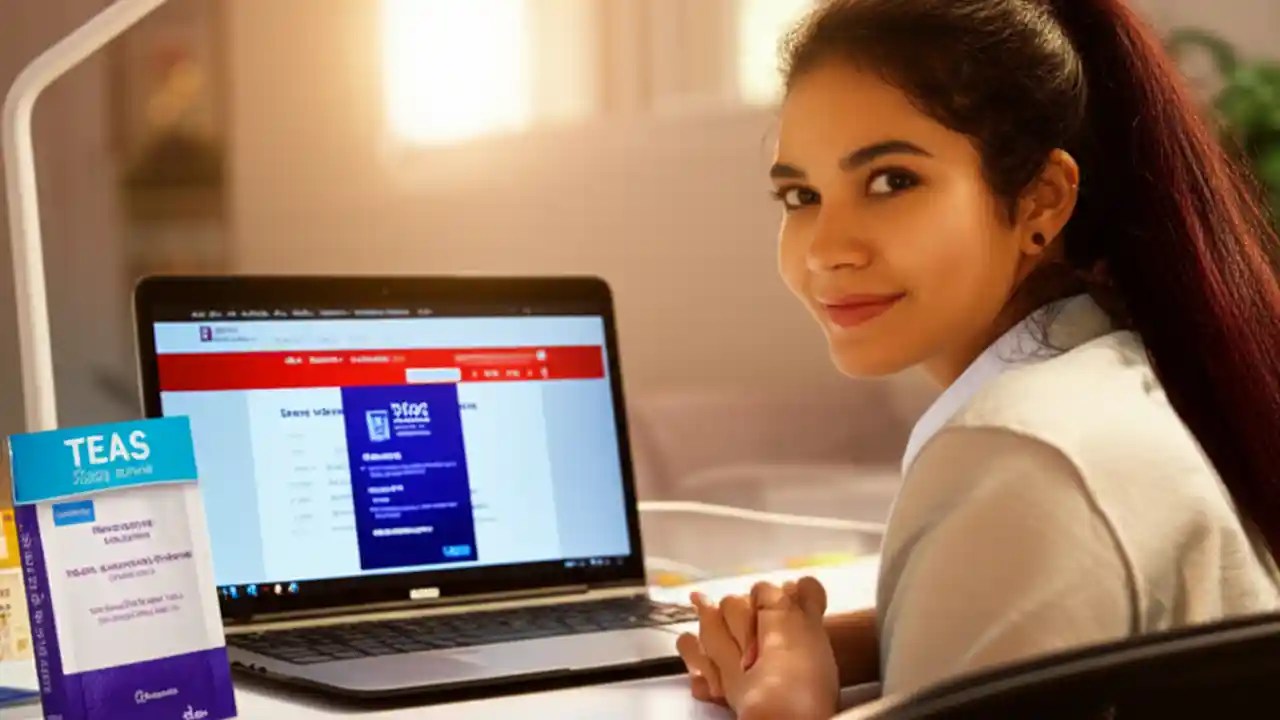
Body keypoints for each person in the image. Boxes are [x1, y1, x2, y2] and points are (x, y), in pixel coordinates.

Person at [675, 0, 1280, 717]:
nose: (825, 249)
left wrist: (782, 702)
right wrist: (853, 639)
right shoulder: (1132, 377)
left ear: (1042, 201)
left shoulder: (1017, 456)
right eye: (800, 195)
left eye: (891, 181)